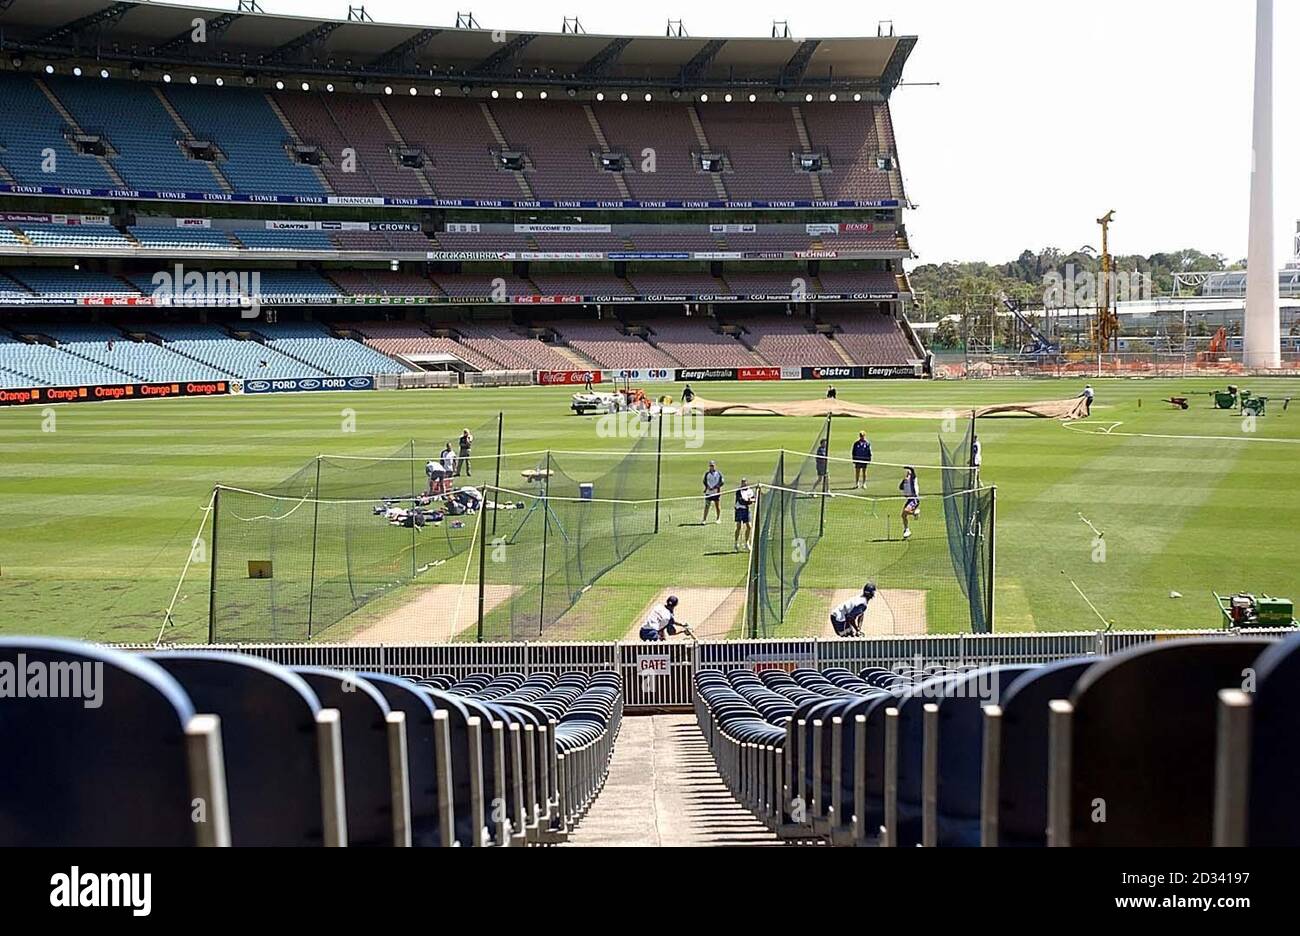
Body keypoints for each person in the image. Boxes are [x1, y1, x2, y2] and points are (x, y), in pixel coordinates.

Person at [734, 477, 755, 551]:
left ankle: (747, 543)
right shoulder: (739, 491)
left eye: (744, 482)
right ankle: (736, 543)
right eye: (742, 482)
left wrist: (750, 500)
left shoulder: (750, 490)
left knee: (749, 526)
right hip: (739, 509)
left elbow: (754, 498)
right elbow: (741, 501)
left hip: (746, 510)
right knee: (739, 526)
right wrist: (749, 501)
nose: (743, 483)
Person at [899, 466, 920, 540]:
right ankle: (907, 530)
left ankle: (915, 512)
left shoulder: (913, 479)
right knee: (903, 515)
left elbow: (912, 471)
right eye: (907, 473)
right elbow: (900, 487)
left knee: (905, 511)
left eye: (909, 473)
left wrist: (908, 468)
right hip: (909, 500)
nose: (908, 474)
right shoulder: (906, 481)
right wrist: (904, 481)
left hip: (914, 499)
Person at [702, 460, 724, 524]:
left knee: (717, 506)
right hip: (708, 492)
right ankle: (704, 519)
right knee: (707, 506)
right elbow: (704, 481)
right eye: (711, 466)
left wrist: (715, 487)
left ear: (715, 466)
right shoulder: (707, 474)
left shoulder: (718, 473)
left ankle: (718, 518)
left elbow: (722, 482)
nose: (712, 467)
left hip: (716, 492)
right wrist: (707, 487)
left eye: (713, 465)